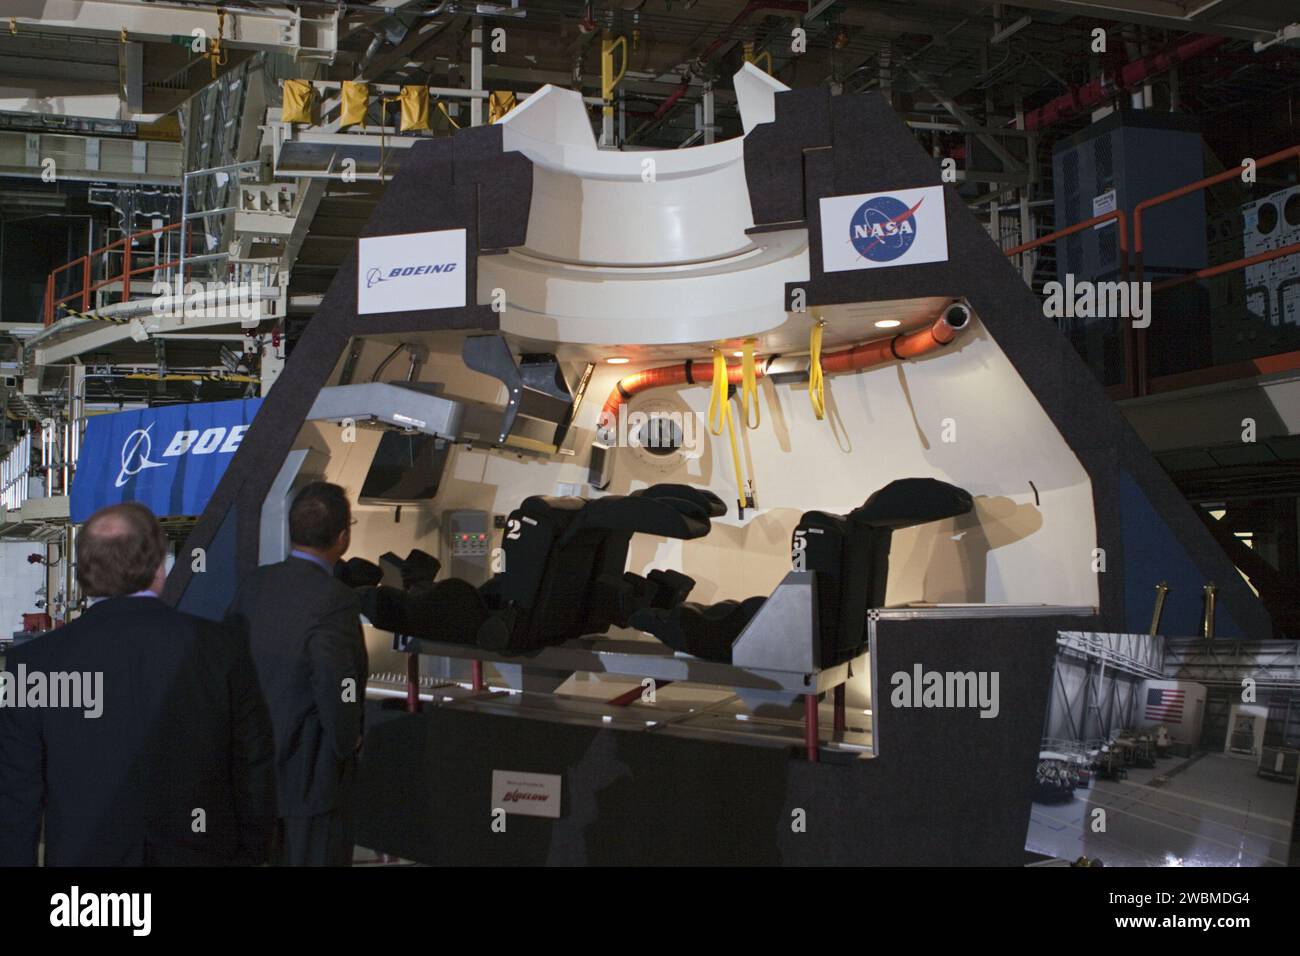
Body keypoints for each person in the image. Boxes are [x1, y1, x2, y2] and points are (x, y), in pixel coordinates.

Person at [0, 502, 276, 866]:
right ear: (159, 567)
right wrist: (252, 854)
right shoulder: (222, 649)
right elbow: (253, 765)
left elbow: (16, 800)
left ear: (83, 572)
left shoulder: (29, 666)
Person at [224, 481, 368, 866]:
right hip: (311, 778)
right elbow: (341, 684)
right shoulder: (336, 600)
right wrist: (349, 737)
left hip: (252, 774)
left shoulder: (254, 586)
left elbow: (227, 666)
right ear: (343, 536)